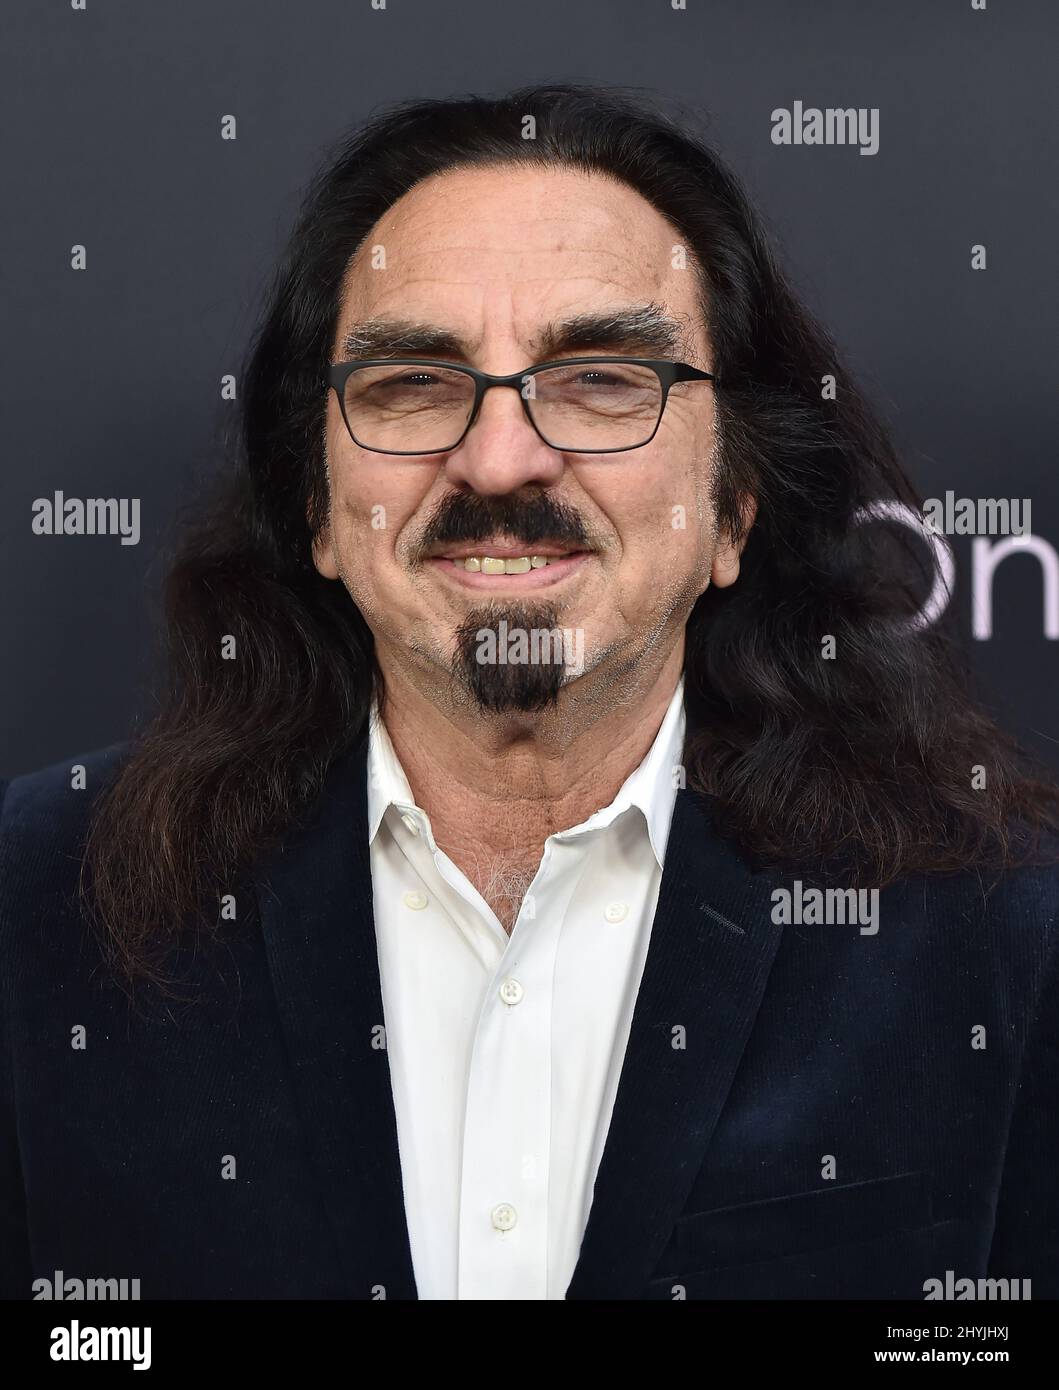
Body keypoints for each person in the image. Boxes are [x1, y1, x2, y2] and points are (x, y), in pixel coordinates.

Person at [2, 84, 1057, 1302]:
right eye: (410, 384)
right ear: (317, 509)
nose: (501, 457)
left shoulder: (998, 944)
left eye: (603, 380)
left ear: (736, 507)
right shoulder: (39, 909)